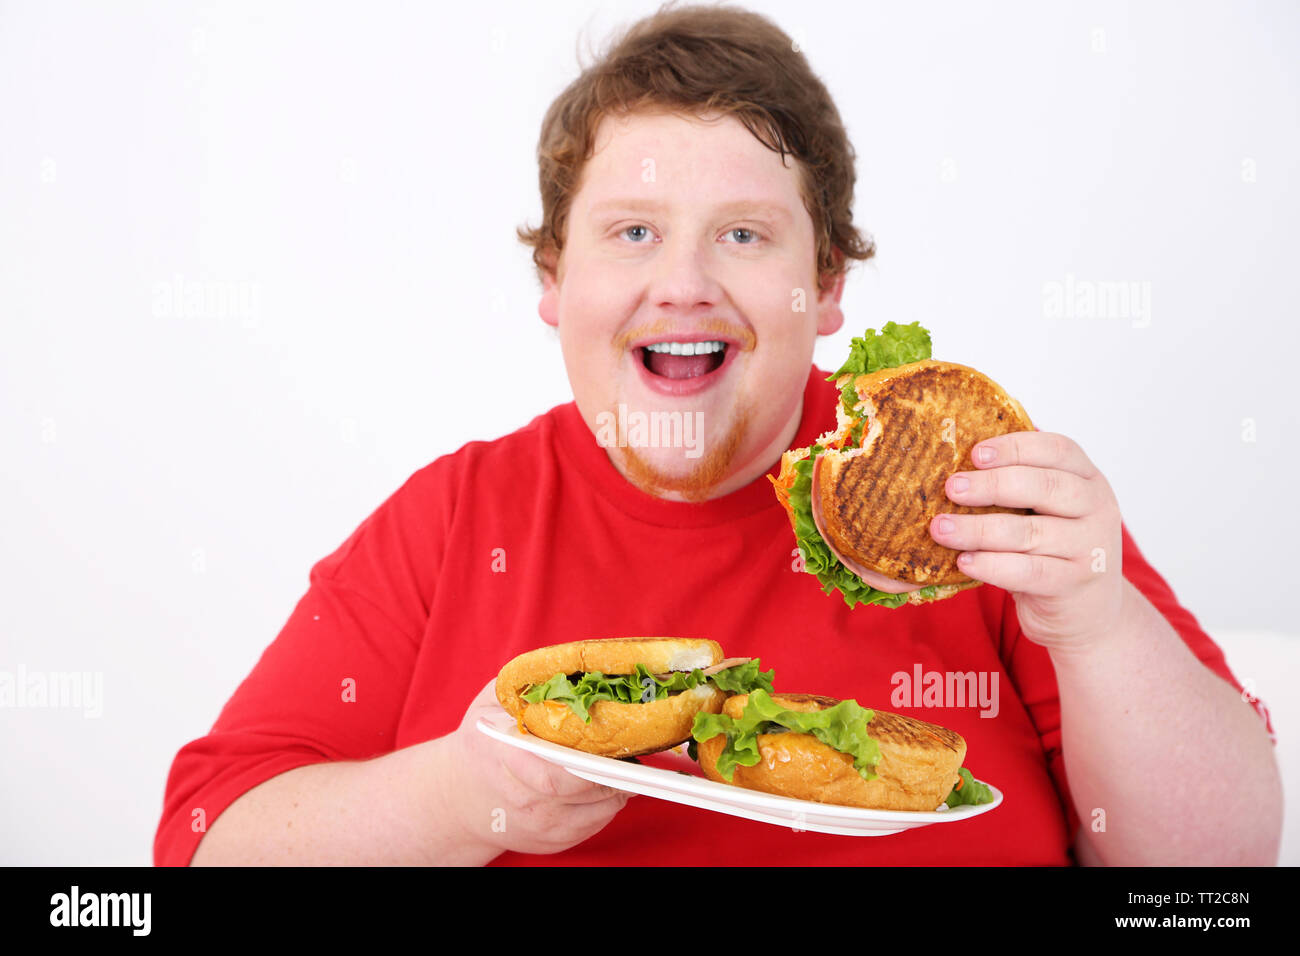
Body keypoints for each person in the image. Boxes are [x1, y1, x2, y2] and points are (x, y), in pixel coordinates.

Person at [154, 2, 1280, 866]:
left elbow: (1218, 870)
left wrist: (1091, 619)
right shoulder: (456, 520)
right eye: (632, 230)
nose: (682, 284)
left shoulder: (973, 497)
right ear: (554, 280)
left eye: (743, 234)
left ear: (825, 285)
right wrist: (463, 794)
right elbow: (204, 837)